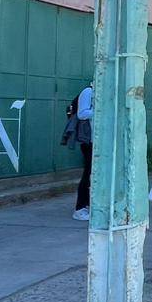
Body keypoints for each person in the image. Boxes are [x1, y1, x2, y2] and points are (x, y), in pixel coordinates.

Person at [71, 84, 94, 221]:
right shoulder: (88, 91)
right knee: (88, 173)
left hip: (98, 142)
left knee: (93, 174)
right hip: (89, 141)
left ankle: (89, 205)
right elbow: (82, 113)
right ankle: (80, 208)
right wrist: (100, 110)